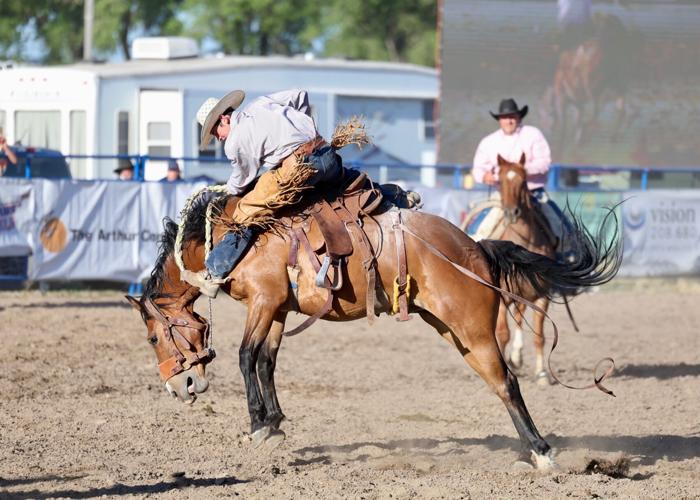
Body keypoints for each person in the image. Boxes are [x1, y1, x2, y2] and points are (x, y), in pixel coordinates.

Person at [191, 89, 345, 295]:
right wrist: (299, 125)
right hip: (327, 155)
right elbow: (300, 95)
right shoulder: (260, 103)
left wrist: (226, 188)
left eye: (214, 132)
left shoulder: (235, 141)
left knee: (245, 213)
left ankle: (213, 272)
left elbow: (241, 180)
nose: (217, 138)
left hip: (300, 167)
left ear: (224, 119)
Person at [472, 98, 572, 256]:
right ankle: (474, 259)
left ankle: (566, 260)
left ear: (519, 117)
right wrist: (486, 176)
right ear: (499, 120)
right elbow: (478, 169)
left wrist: (521, 171)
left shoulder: (533, 134)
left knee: (562, 228)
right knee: (477, 232)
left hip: (533, 193)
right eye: (505, 117)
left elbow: (544, 162)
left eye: (512, 116)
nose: (509, 120)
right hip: (502, 195)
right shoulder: (489, 142)